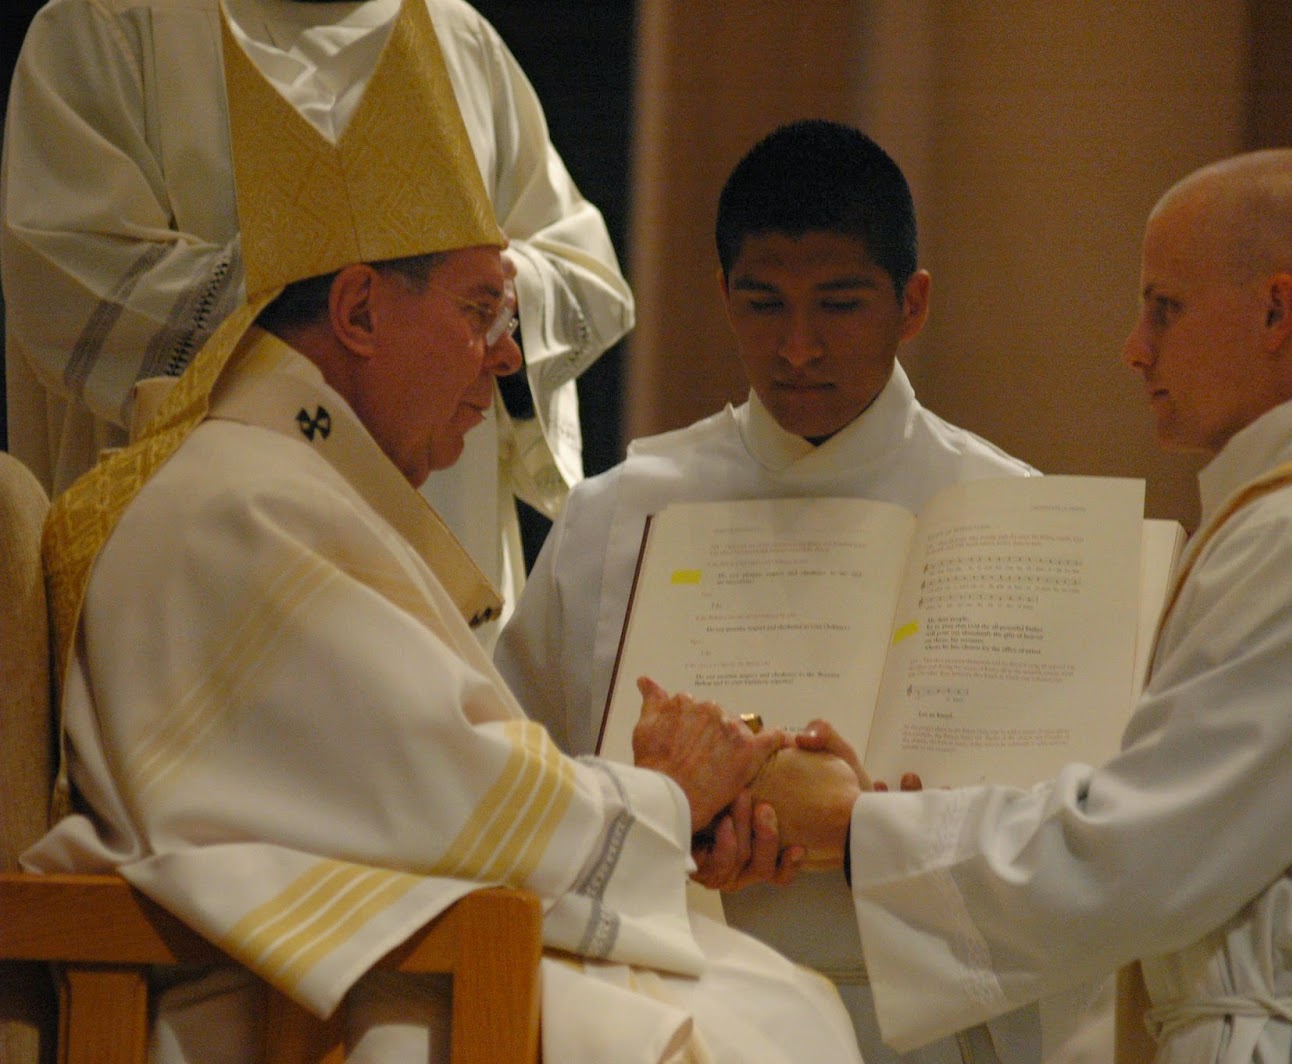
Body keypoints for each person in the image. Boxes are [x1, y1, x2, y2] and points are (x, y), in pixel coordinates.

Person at [20, 6, 859, 1060]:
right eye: (479, 312)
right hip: (287, 1002)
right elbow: (450, 792)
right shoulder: (240, 508)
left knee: (779, 1005)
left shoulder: (290, 488)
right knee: (767, 1023)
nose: (508, 360)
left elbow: (424, 788)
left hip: (371, 958)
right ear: (360, 311)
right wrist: (662, 793)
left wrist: (666, 816)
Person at [733, 148, 1292, 1062]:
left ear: (1275, 311)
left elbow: (1142, 852)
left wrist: (855, 826)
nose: (1135, 347)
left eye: (1163, 307)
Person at [493, 120, 1101, 1063]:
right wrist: (675, 815)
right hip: (681, 1007)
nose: (800, 347)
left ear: (914, 303)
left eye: (841, 305)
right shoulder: (615, 517)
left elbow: (1070, 834)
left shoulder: (1012, 518)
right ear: (721, 294)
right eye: (763, 304)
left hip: (933, 1025)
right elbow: (520, 780)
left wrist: (883, 822)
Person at [2, 0, 635, 643]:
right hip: (198, 571)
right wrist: (356, 307)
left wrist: (465, 304)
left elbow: (583, 270)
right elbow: (68, 284)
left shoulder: (458, 37)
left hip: (434, 534)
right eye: (358, 310)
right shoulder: (111, 25)